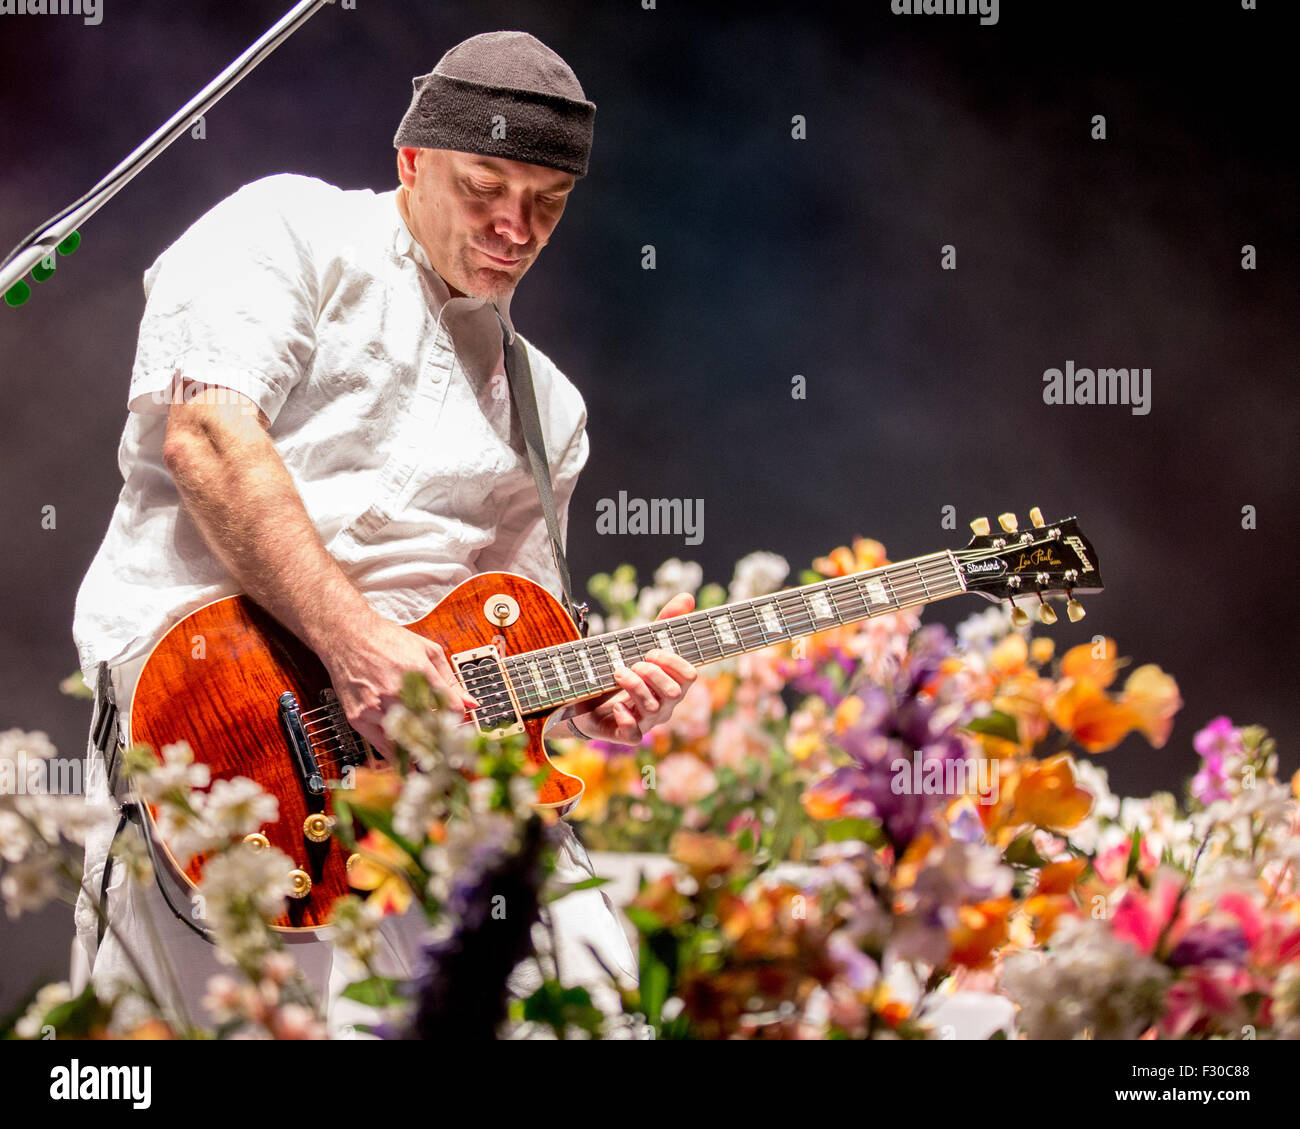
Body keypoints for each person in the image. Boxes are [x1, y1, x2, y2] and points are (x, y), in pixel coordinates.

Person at [70, 30, 697, 1036]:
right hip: (221, 728)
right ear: (410, 160)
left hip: (437, 789)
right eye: (483, 184)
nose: (513, 224)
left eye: (547, 200)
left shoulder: (551, 407)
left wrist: (587, 702)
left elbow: (517, 634)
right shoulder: (287, 228)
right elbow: (208, 435)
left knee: (596, 1015)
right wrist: (356, 643)